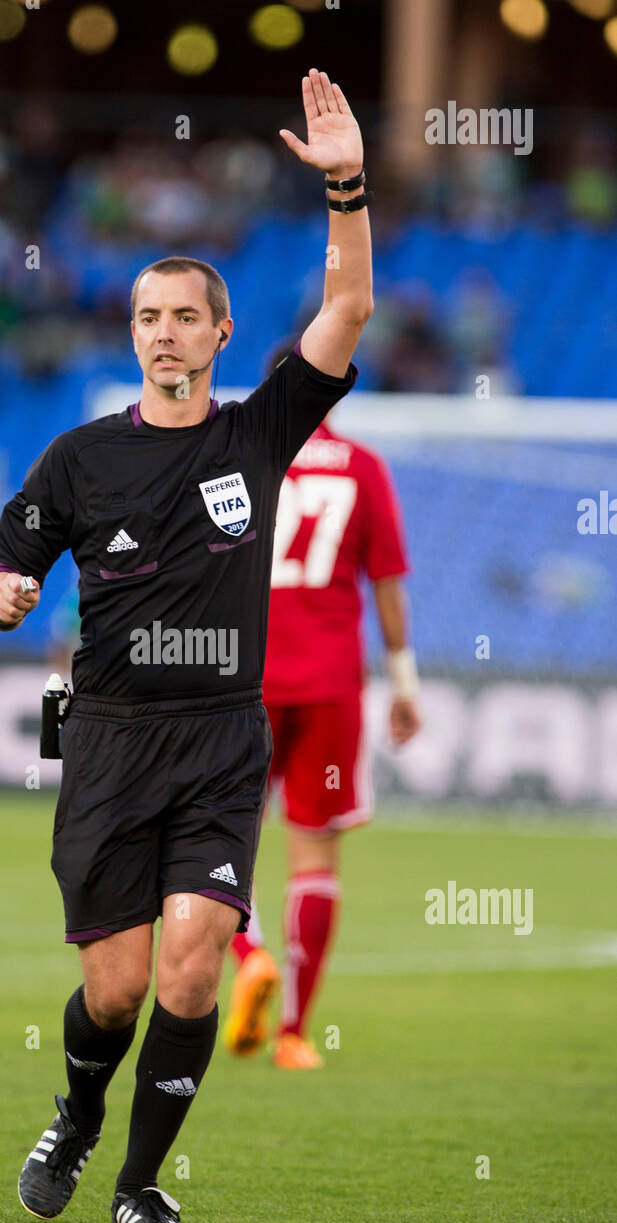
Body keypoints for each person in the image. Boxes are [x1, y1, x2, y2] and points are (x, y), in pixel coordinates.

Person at [0, 71, 373, 1223]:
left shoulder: (258, 431)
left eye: (184, 316)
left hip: (217, 737)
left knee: (194, 967)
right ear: (133, 332)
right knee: (112, 989)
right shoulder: (76, 458)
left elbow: (347, 311)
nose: (165, 333)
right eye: (148, 316)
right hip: (104, 738)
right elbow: (16, 563)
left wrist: (346, 184)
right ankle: (78, 1111)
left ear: (220, 332)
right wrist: (5, 593)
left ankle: (139, 1184)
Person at [224, 362, 421, 1068]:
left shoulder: (239, 459)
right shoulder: (363, 468)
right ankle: (295, 1035)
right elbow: (388, 582)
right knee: (314, 854)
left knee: (218, 841)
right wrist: (404, 682)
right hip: (331, 684)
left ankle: (248, 956)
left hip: (241, 678)